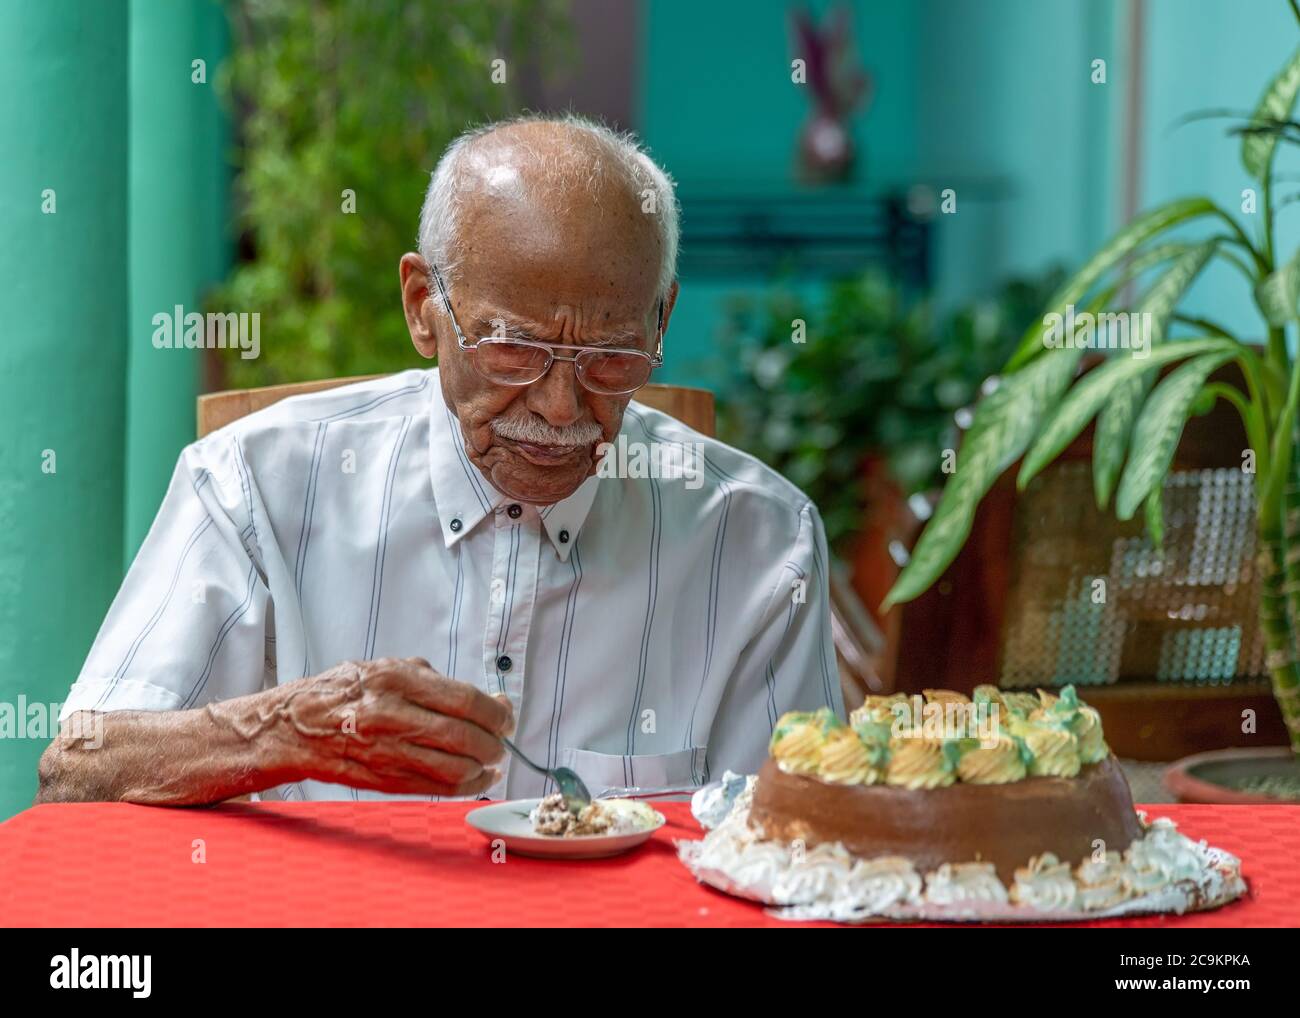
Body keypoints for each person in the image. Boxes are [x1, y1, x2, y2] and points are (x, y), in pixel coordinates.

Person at [38, 114, 841, 806]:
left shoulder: (759, 543)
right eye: (510, 348)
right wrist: (284, 731)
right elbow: (73, 775)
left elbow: (802, 848)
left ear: (660, 320)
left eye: (609, 356)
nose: (560, 409)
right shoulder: (253, 485)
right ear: (425, 307)